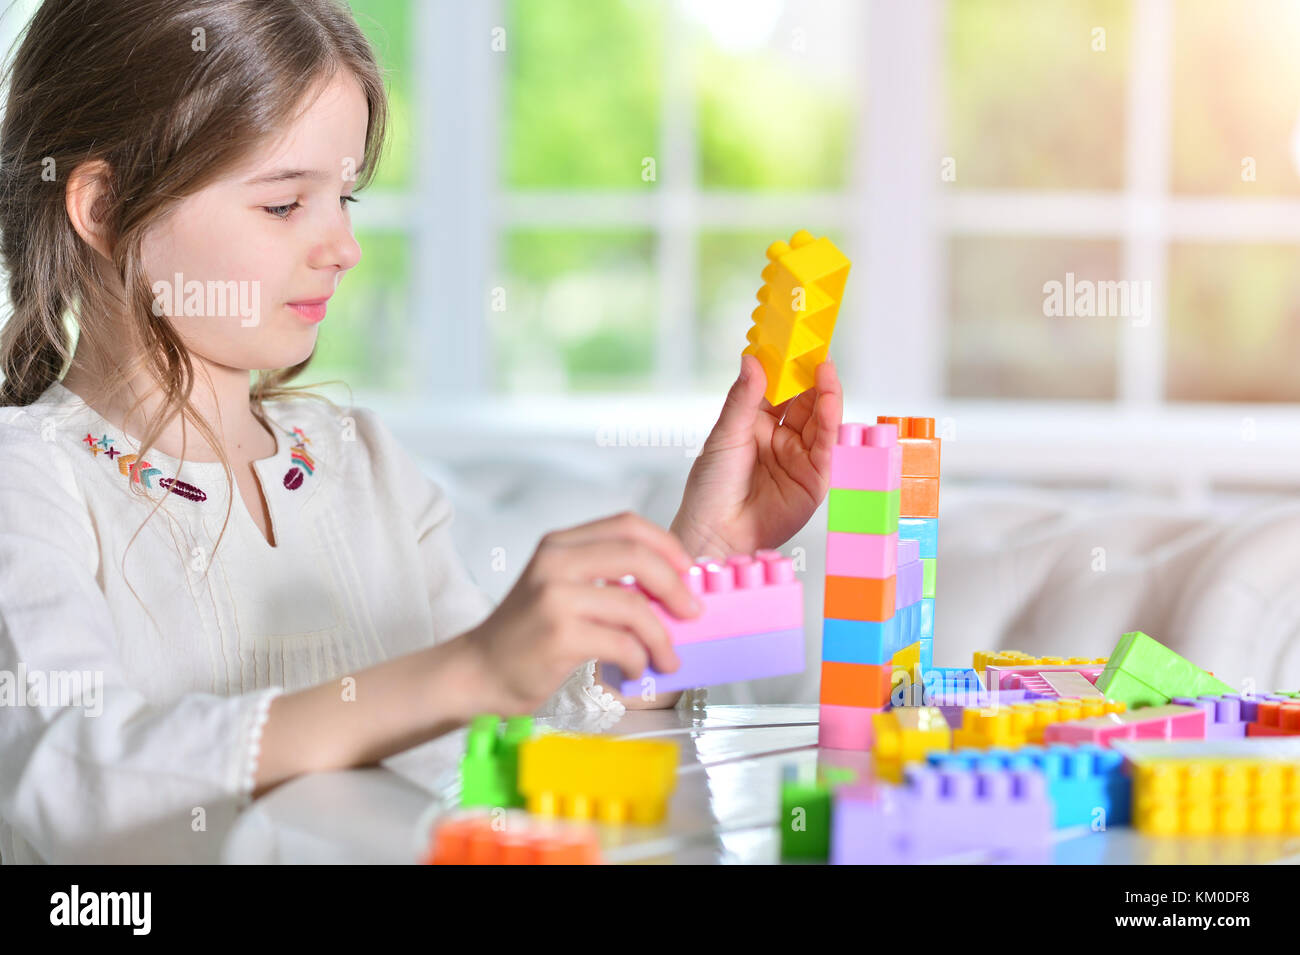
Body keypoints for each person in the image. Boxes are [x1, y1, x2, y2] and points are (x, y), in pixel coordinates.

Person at [0, 0, 843, 862]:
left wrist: (691, 565)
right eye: (286, 204)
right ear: (102, 209)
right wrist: (465, 670)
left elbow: (518, 740)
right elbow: (77, 777)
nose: (343, 246)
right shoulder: (29, 483)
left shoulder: (358, 462)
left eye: (346, 196)